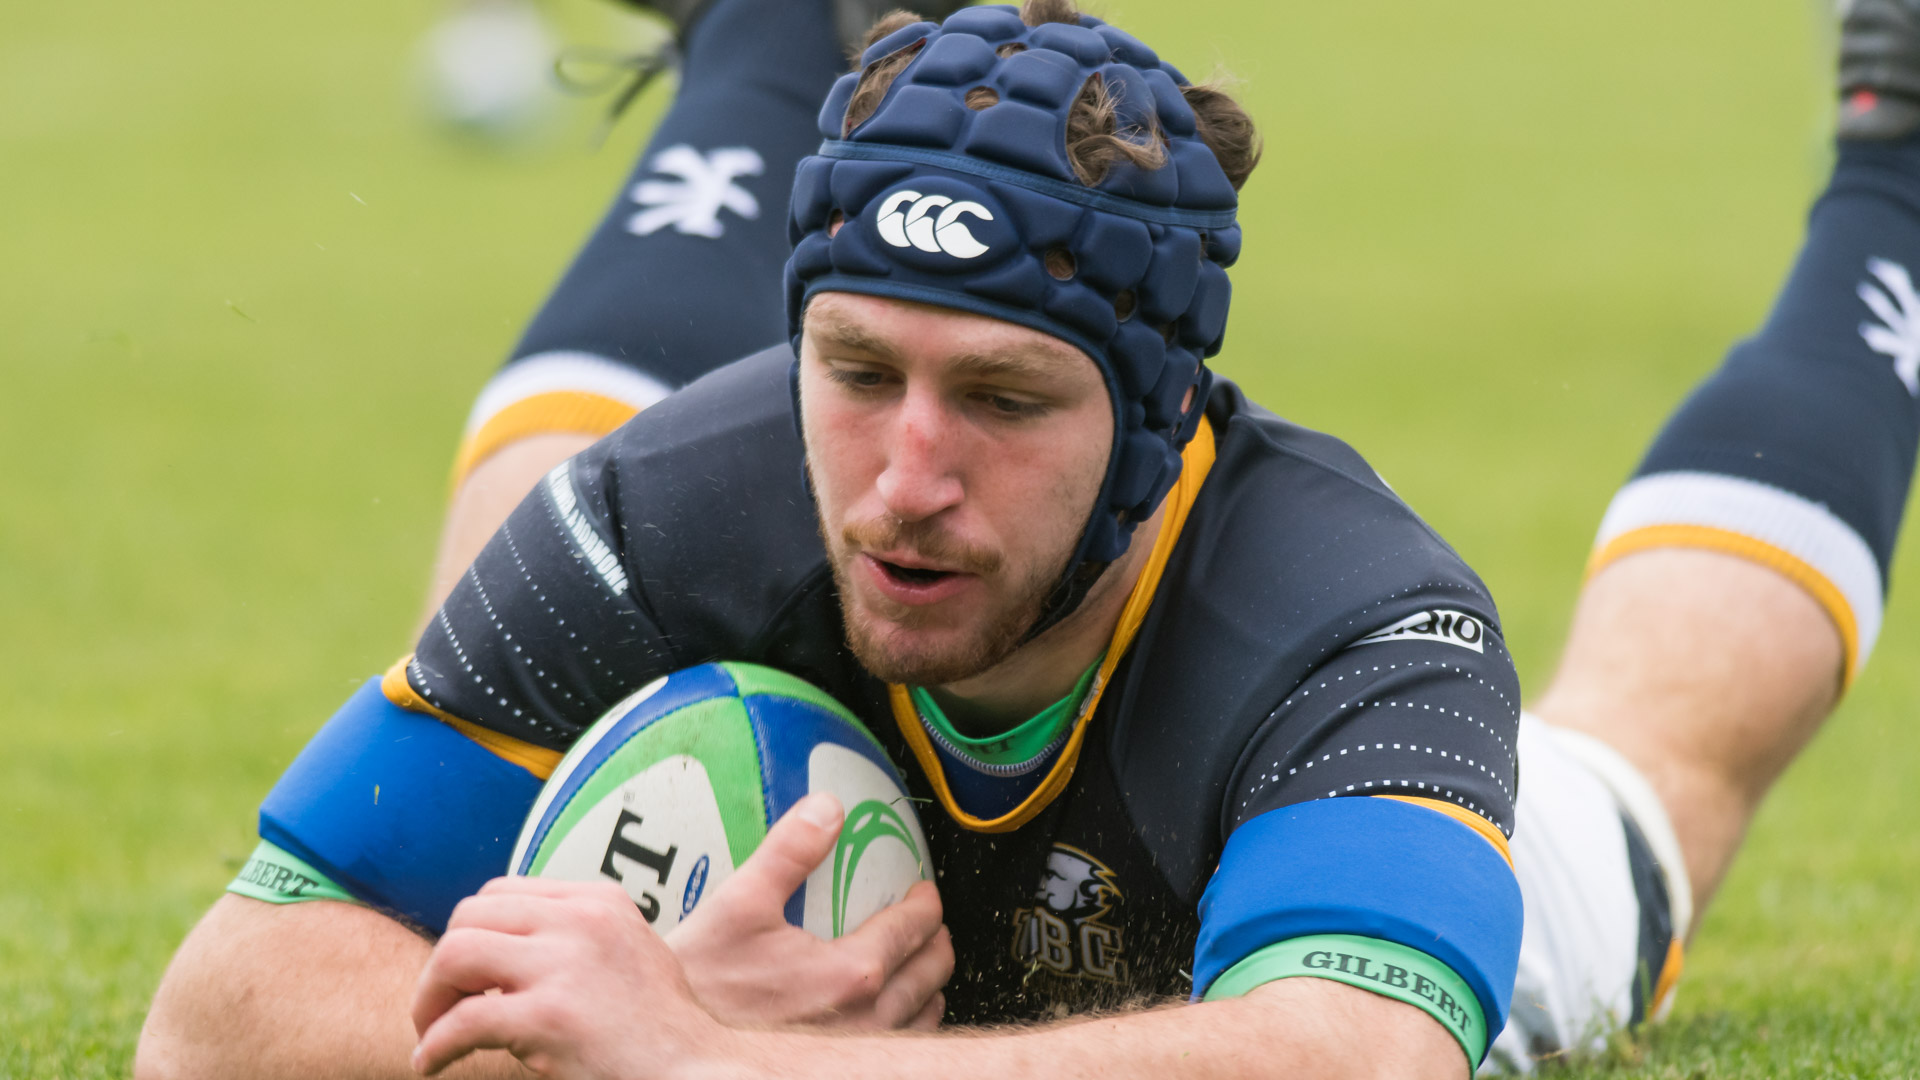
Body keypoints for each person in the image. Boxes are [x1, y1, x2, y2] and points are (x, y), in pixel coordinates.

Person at [135, 0, 1920, 1076]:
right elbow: (216, 1015)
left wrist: (709, 1048)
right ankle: (783, 34)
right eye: (853, 371)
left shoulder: (1351, 626)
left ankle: (1895, 168)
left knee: (1654, 766)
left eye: (1001, 400)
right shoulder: (669, 500)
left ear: (1152, 433)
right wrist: (587, 1022)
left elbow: (1344, 1053)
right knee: (508, 623)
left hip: (1347, 900)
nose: (906, 474)